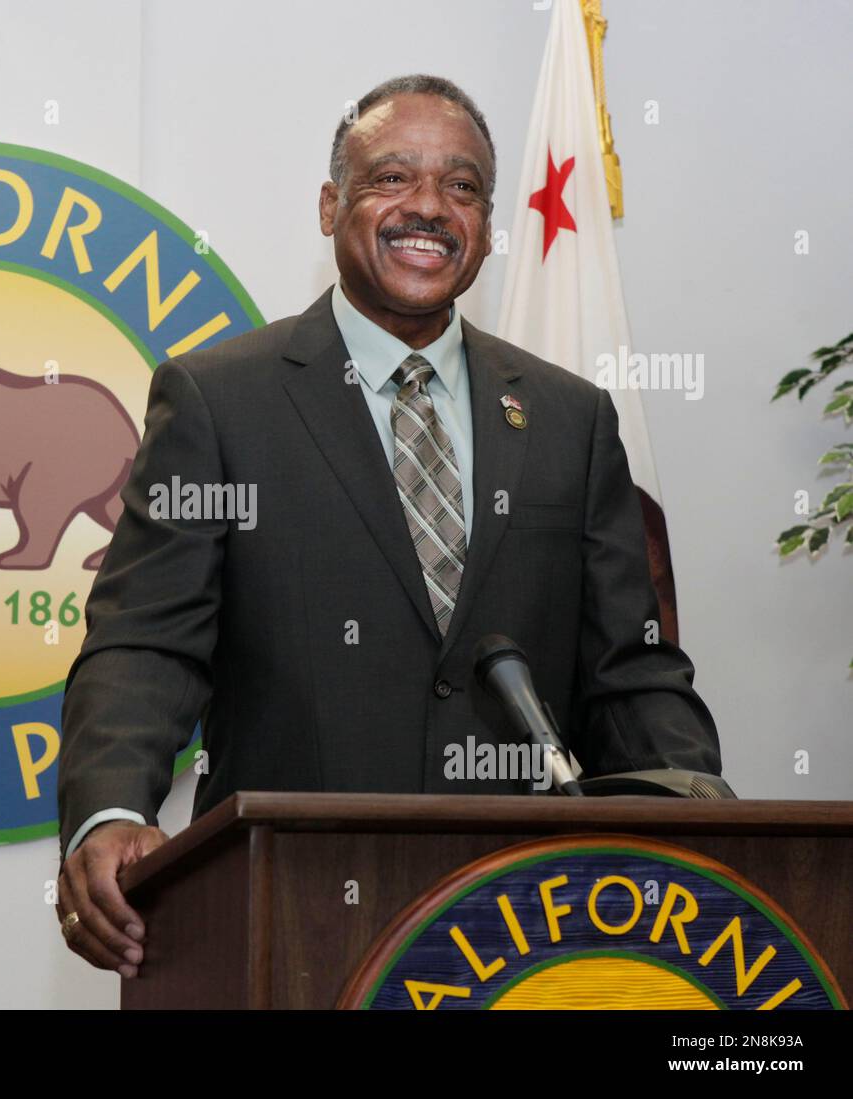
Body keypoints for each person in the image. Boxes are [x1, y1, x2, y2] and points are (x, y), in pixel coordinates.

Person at [55, 74, 720, 977]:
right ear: (332, 205)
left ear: (487, 222)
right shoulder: (220, 399)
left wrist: (708, 824)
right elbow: (145, 643)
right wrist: (109, 809)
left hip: (533, 926)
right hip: (293, 907)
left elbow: (629, 670)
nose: (428, 207)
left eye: (462, 186)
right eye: (391, 177)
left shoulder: (570, 418)